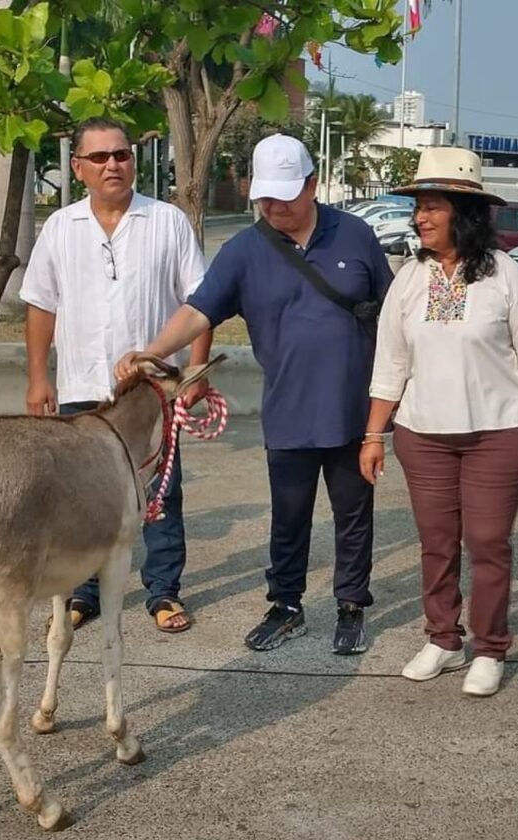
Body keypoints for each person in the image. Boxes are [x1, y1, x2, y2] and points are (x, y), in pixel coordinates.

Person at [114, 133, 392, 654]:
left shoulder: (355, 237)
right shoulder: (244, 251)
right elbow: (199, 311)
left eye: (285, 193)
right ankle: (286, 603)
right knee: (289, 516)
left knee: (354, 515)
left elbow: (396, 314)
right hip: (288, 410)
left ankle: (351, 604)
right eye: (264, 195)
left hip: (354, 410)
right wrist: (153, 352)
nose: (273, 205)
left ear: (312, 184)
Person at [359, 147, 518, 697]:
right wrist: (374, 434)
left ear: (465, 213)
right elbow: (391, 363)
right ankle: (443, 639)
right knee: (436, 540)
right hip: (423, 435)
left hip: (500, 434)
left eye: (432, 207)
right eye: (419, 208)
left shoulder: (507, 278)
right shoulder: (408, 279)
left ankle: (490, 647)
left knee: (487, 539)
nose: (420, 218)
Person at [20, 116, 212, 635]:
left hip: (150, 392)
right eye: (100, 157)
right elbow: (40, 306)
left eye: (121, 155)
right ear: (78, 167)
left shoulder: (167, 221)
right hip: (83, 387)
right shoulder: (61, 228)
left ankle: (163, 590)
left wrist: (196, 369)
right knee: (80, 496)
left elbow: (202, 300)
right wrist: (39, 378)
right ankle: (84, 591)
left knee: (159, 492)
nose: (113, 165)